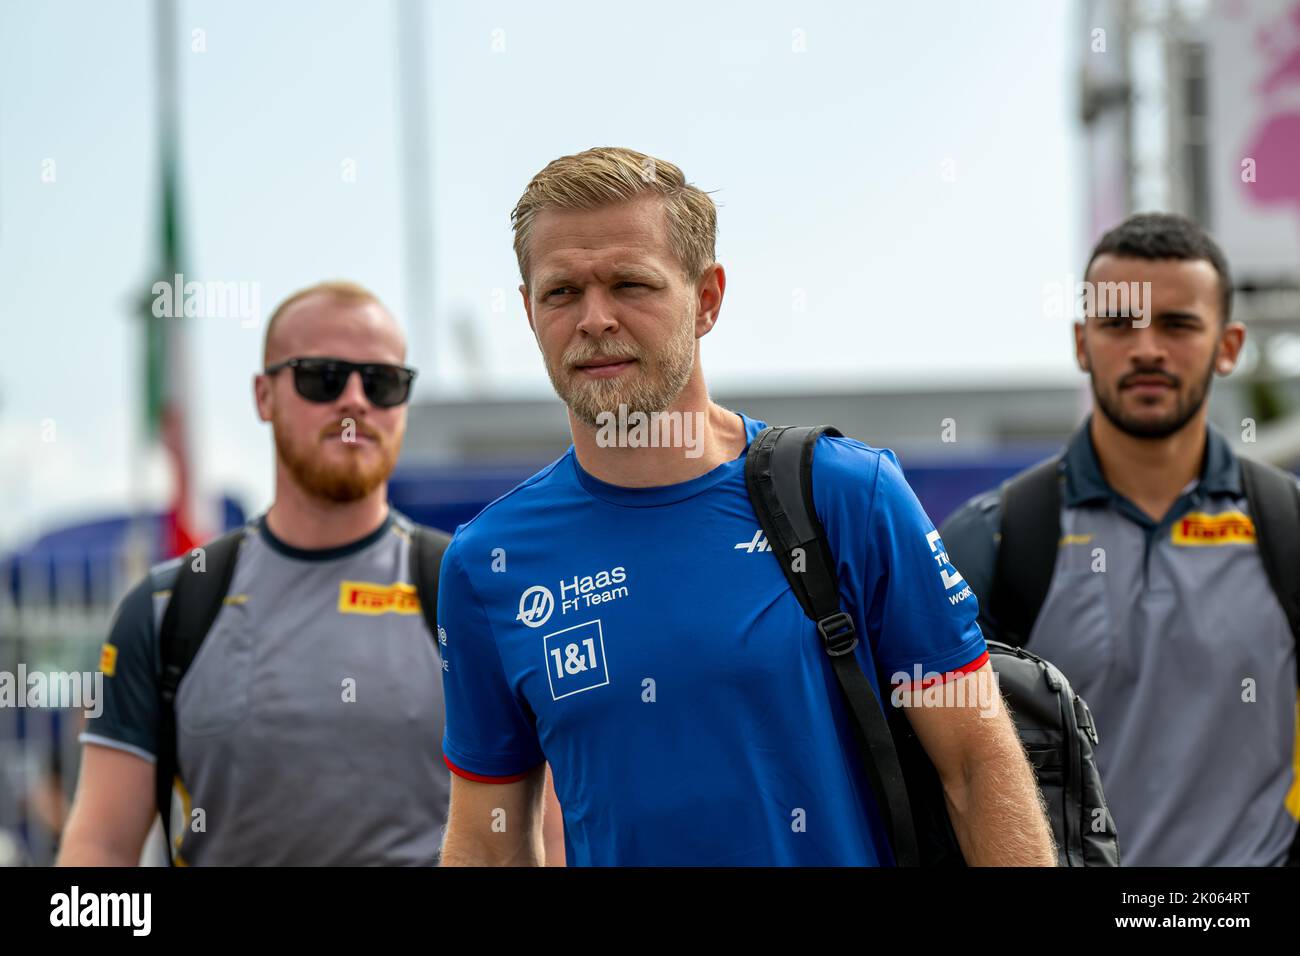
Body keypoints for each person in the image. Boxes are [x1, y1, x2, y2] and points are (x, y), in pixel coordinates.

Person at [437, 147, 1056, 867]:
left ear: (707, 299)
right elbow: (487, 842)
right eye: (561, 292)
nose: (594, 319)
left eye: (631, 284)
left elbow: (977, 767)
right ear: (528, 309)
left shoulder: (847, 495)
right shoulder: (488, 564)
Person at [941, 213, 1300, 866]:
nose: (1147, 350)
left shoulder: (1290, 528)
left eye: (1178, 324)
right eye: (1119, 325)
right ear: (1082, 343)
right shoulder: (992, 539)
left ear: (1229, 344)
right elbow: (946, 768)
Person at [58, 281, 454, 865]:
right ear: (263, 396)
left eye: (382, 382)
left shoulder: (470, 593)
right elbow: (99, 849)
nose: (354, 402)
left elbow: (541, 837)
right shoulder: (169, 608)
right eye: (321, 376)